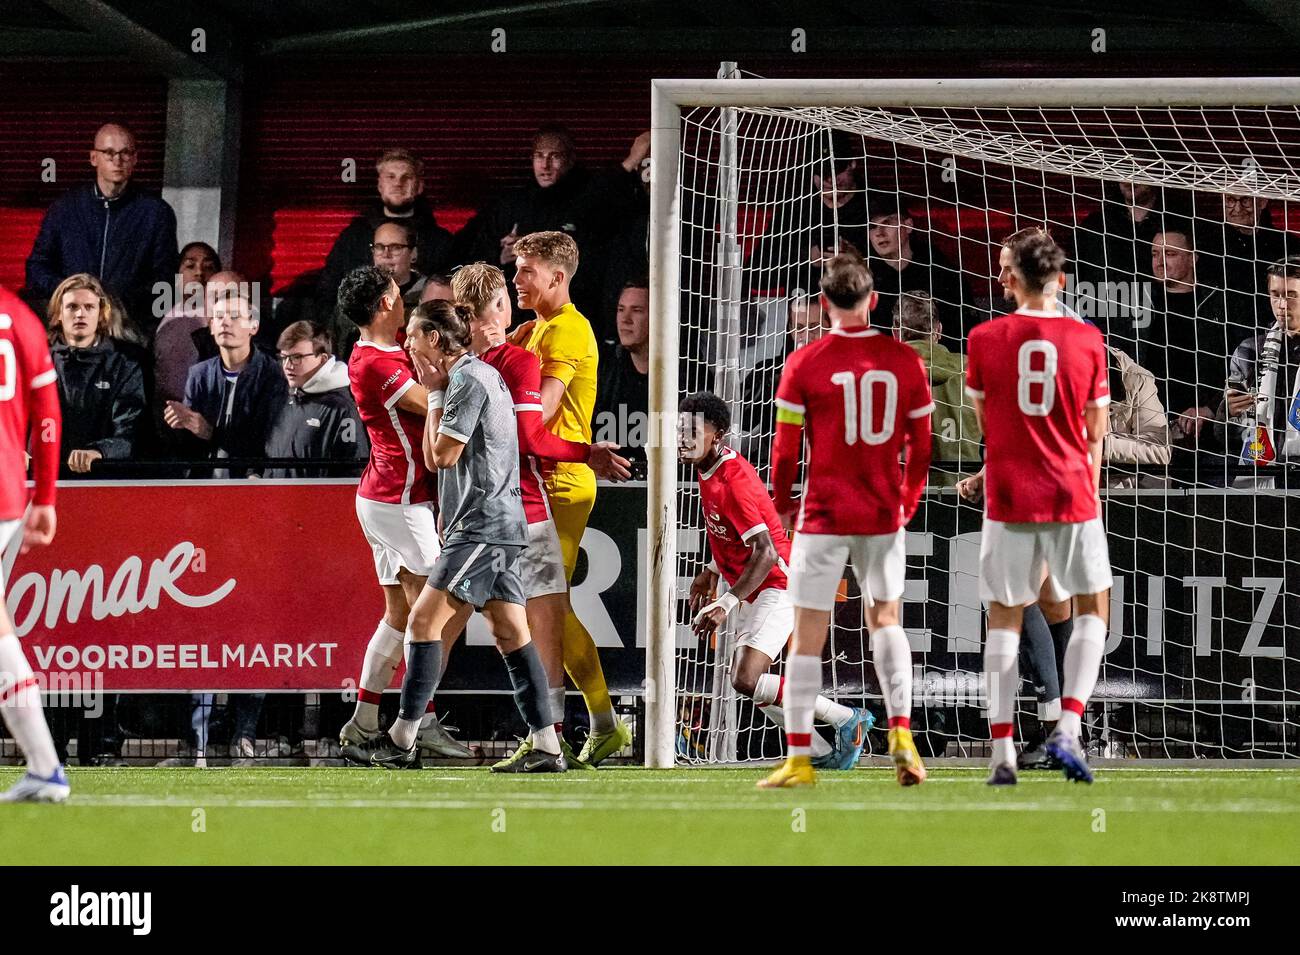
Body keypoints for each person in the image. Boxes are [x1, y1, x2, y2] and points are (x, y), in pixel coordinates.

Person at [341, 301, 564, 772]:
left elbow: (441, 455)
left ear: (436, 340)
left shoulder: (466, 380)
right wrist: (435, 393)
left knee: (423, 624)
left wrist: (437, 394)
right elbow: (428, 456)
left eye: (415, 337)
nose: (407, 345)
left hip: (481, 527)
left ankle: (401, 739)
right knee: (509, 633)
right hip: (495, 526)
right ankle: (547, 745)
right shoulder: (465, 379)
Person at [437, 262, 629, 769]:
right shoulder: (521, 349)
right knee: (542, 620)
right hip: (515, 503)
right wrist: (587, 452)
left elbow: (459, 445)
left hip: (497, 505)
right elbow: (527, 435)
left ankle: (408, 726)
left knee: (458, 621)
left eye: (526, 273)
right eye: (511, 283)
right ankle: (565, 734)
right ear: (496, 306)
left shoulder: (462, 365)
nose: (518, 286)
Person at [760, 252, 934, 789]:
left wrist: (784, 502)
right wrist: (908, 498)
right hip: (882, 510)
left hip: (824, 511)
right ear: (874, 300)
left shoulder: (805, 363)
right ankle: (901, 733)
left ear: (821, 303)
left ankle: (798, 759)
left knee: (808, 634)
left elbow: (784, 451)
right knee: (885, 619)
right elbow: (922, 445)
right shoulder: (904, 360)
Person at [965, 227, 1113, 786]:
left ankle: (1002, 754)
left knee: (1003, 618)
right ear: (1061, 279)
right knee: (1093, 609)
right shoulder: (1087, 341)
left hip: (1008, 494)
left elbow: (988, 425)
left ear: (1013, 277)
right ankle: (1069, 727)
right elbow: (1095, 428)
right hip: (1071, 491)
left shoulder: (983, 339)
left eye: (1003, 267)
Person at [682, 391, 873, 770]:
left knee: (745, 678)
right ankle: (819, 751)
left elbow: (766, 551)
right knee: (750, 683)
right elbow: (731, 534)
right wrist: (711, 570)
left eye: (693, 430)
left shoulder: (732, 481)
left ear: (717, 434)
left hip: (779, 585)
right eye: (678, 429)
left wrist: (726, 601)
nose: (683, 438)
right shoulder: (710, 468)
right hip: (758, 586)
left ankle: (846, 718)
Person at [333, 266, 472, 761]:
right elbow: (439, 400)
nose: (403, 297)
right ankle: (422, 720)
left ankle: (363, 720)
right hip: (400, 502)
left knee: (401, 614)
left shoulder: (380, 352)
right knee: (443, 608)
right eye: (396, 292)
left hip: (387, 496)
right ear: (384, 305)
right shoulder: (377, 363)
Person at [510, 231, 633, 764]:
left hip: (558, 481)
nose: (517, 279)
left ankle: (551, 735)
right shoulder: (535, 329)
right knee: (550, 611)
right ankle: (601, 724)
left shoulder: (568, 331)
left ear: (556, 278)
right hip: (539, 481)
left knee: (546, 613)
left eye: (525, 271)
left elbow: (541, 408)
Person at [456, 126, 647, 322]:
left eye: (554, 156)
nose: (545, 165)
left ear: (570, 160)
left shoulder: (588, 202)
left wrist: (540, 255)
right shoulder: (511, 206)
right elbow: (473, 259)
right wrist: (500, 259)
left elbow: (594, 262)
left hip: (574, 316)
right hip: (519, 321)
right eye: (539, 156)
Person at [0, 283, 70, 803]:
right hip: (6, 495)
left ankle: (46, 769)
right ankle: (45, 769)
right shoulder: (19, 316)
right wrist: (42, 496)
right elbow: (47, 410)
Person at [24, 123, 178, 338]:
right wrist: (70, 293)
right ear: (93, 158)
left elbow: (164, 280)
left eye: (126, 153)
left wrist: (118, 304)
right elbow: (37, 267)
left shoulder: (156, 212)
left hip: (127, 331)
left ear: (135, 159)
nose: (117, 160)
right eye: (109, 152)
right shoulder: (65, 208)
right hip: (69, 330)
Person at [164, 276, 286, 476]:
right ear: (211, 327)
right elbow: (188, 444)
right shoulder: (199, 374)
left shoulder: (272, 375)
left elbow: (267, 441)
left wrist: (209, 431)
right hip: (202, 481)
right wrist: (179, 423)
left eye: (235, 316)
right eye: (219, 317)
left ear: (253, 327)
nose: (225, 323)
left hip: (251, 480)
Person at [1142, 225, 1235, 482]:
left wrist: (1211, 407)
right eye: (1154, 254)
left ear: (1193, 257)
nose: (1159, 263)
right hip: (1149, 438)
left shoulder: (1221, 304)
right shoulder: (1139, 304)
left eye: (1170, 254)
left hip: (1209, 440)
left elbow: (1243, 367)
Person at [318, 148, 454, 318]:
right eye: (391, 177)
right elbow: (329, 290)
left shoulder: (441, 242)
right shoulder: (352, 237)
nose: (398, 183)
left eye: (407, 177)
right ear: (380, 185)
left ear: (419, 186)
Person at [46, 273, 146, 478]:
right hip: (41, 481)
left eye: (89, 307)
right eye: (72, 307)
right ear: (58, 314)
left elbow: (130, 433)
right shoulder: (36, 362)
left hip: (100, 481)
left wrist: (99, 451)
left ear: (102, 314)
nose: (80, 314)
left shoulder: (124, 366)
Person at [1219, 257, 1300, 480]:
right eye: (1275, 295)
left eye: (1291, 295)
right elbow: (1226, 436)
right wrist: (1229, 413)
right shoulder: (1249, 352)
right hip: (1263, 479)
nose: (1282, 305)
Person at [892, 291, 981, 485]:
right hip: (963, 494)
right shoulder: (972, 370)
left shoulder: (881, 374)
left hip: (905, 499)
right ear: (938, 330)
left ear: (896, 333)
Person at [736, 293, 829, 476]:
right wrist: (777, 383)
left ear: (830, 328)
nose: (806, 336)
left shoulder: (843, 373)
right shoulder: (769, 371)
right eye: (799, 328)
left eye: (814, 327)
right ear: (790, 330)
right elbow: (743, 419)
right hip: (780, 473)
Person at [263, 321, 368, 478]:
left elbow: (353, 473)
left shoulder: (342, 409)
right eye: (283, 357)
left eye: (297, 357)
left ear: (323, 359)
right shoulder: (281, 398)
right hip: (278, 500)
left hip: (318, 501)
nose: (287, 365)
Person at [865, 196, 972, 348]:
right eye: (872, 227)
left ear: (908, 225)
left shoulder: (942, 273)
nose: (879, 233)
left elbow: (965, 329)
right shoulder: (865, 281)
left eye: (887, 223)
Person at [593, 279, 649, 468]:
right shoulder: (603, 370)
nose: (625, 319)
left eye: (637, 310)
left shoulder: (684, 376)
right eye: (620, 309)